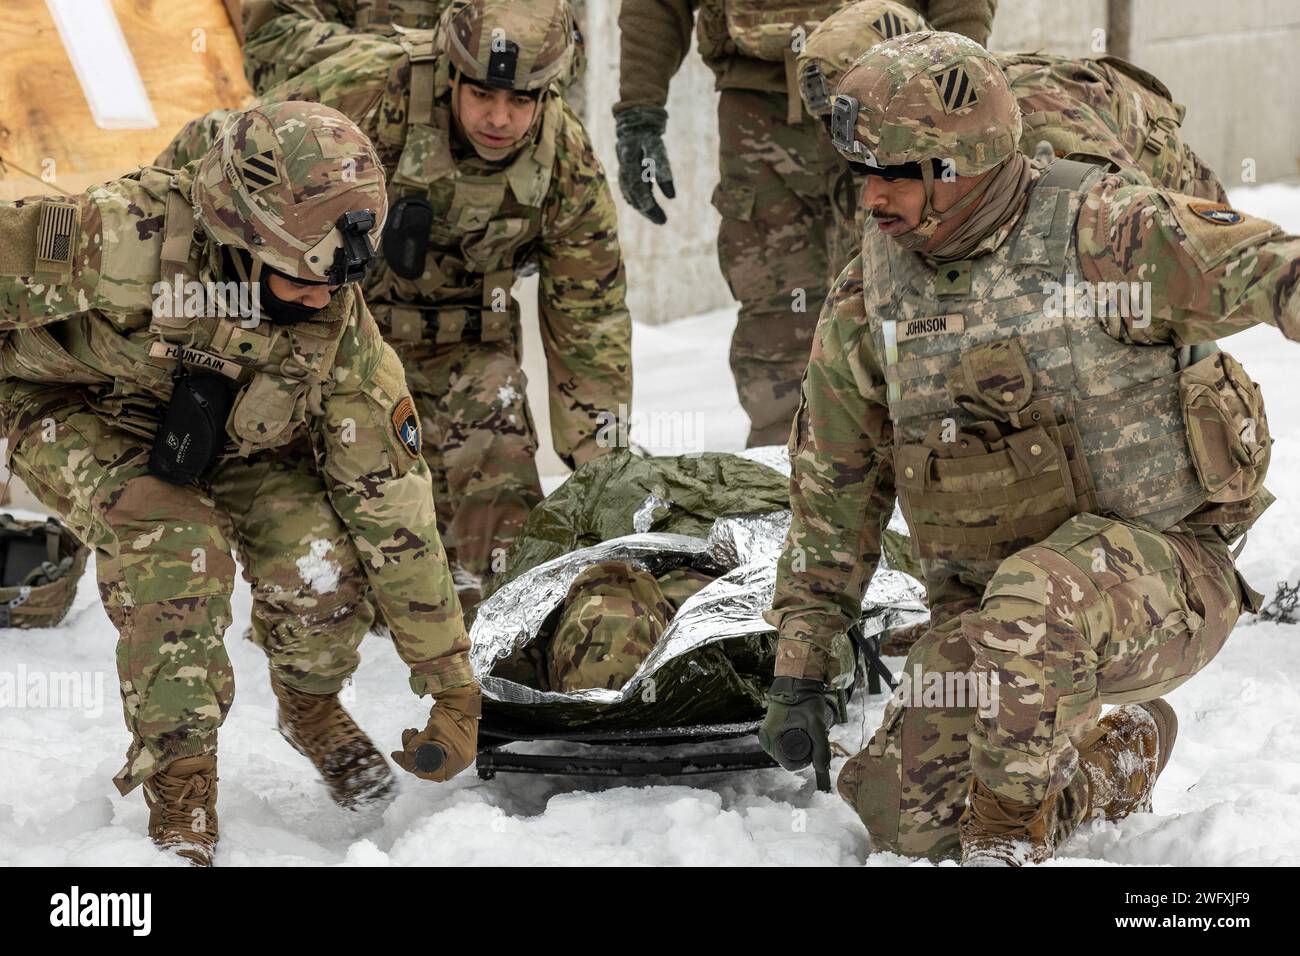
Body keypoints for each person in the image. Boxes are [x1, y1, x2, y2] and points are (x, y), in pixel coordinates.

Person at [759, 32, 1291, 865]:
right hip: (991, 619)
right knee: (902, 817)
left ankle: (1004, 846)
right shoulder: (875, 287)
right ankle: (1116, 757)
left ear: (960, 163)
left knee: (1035, 607)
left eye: (896, 172)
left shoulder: (1104, 230)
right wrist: (804, 660)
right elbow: (837, 480)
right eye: (864, 173)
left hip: (1166, 580)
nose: (872, 199)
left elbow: (1267, 265)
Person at [0, 101, 481, 865]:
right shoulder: (122, 240)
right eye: (305, 277)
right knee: (178, 545)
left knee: (321, 570)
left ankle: (310, 706)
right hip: (85, 409)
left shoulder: (338, 328)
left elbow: (391, 501)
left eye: (341, 277)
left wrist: (451, 682)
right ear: (244, 236)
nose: (329, 297)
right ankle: (182, 788)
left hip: (235, 434)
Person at [161, 0, 631, 603]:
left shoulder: (566, 163)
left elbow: (591, 319)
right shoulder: (363, 92)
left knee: (503, 560)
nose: (499, 118)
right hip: (336, 337)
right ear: (451, 73)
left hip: (469, 354)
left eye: (521, 102)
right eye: (482, 94)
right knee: (329, 566)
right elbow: (220, 161)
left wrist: (604, 462)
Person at [614, 0, 996, 446]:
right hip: (760, 100)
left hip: (892, 97)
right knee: (775, 299)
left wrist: (953, 89)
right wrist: (639, 112)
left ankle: (924, 462)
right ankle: (784, 466)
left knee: (910, 285)